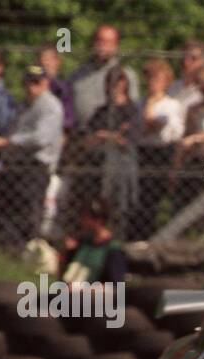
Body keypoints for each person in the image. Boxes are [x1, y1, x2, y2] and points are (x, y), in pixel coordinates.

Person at [0, 65, 63, 251]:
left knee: (29, 213)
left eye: (36, 81)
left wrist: (6, 142)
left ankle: (29, 252)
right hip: (16, 164)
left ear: (45, 82)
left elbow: (41, 138)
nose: (31, 86)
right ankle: (9, 251)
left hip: (35, 166)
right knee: (8, 210)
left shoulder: (50, 105)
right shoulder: (24, 105)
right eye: (28, 81)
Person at [80, 66, 141, 238]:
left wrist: (103, 135)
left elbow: (126, 141)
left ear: (124, 84)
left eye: (116, 82)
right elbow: (87, 141)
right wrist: (110, 135)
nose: (112, 87)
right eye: (109, 83)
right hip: (96, 167)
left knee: (119, 209)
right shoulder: (101, 112)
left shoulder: (132, 110)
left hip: (121, 167)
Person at [134, 59, 184, 239]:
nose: (152, 83)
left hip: (162, 153)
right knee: (139, 200)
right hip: (142, 153)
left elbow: (150, 125)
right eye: (149, 78)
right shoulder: (139, 103)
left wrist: (151, 103)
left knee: (155, 200)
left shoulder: (170, 105)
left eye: (157, 79)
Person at [69, 24, 140, 129]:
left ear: (116, 46)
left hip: (112, 136)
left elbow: (134, 111)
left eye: (108, 42)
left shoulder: (125, 75)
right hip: (80, 135)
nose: (103, 46)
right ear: (93, 43)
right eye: (100, 40)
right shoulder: (78, 74)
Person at [61, 197, 127, 285]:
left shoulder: (112, 249)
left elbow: (116, 287)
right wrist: (66, 253)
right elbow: (62, 278)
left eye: (86, 217)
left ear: (99, 220)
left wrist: (83, 290)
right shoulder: (82, 243)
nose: (82, 221)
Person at [37, 45, 75, 129]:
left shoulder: (63, 88)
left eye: (49, 59)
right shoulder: (33, 85)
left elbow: (68, 116)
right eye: (42, 59)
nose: (45, 63)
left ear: (57, 62)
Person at [169, 41, 204, 110]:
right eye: (184, 57)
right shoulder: (172, 87)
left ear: (203, 62)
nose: (186, 62)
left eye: (193, 58)